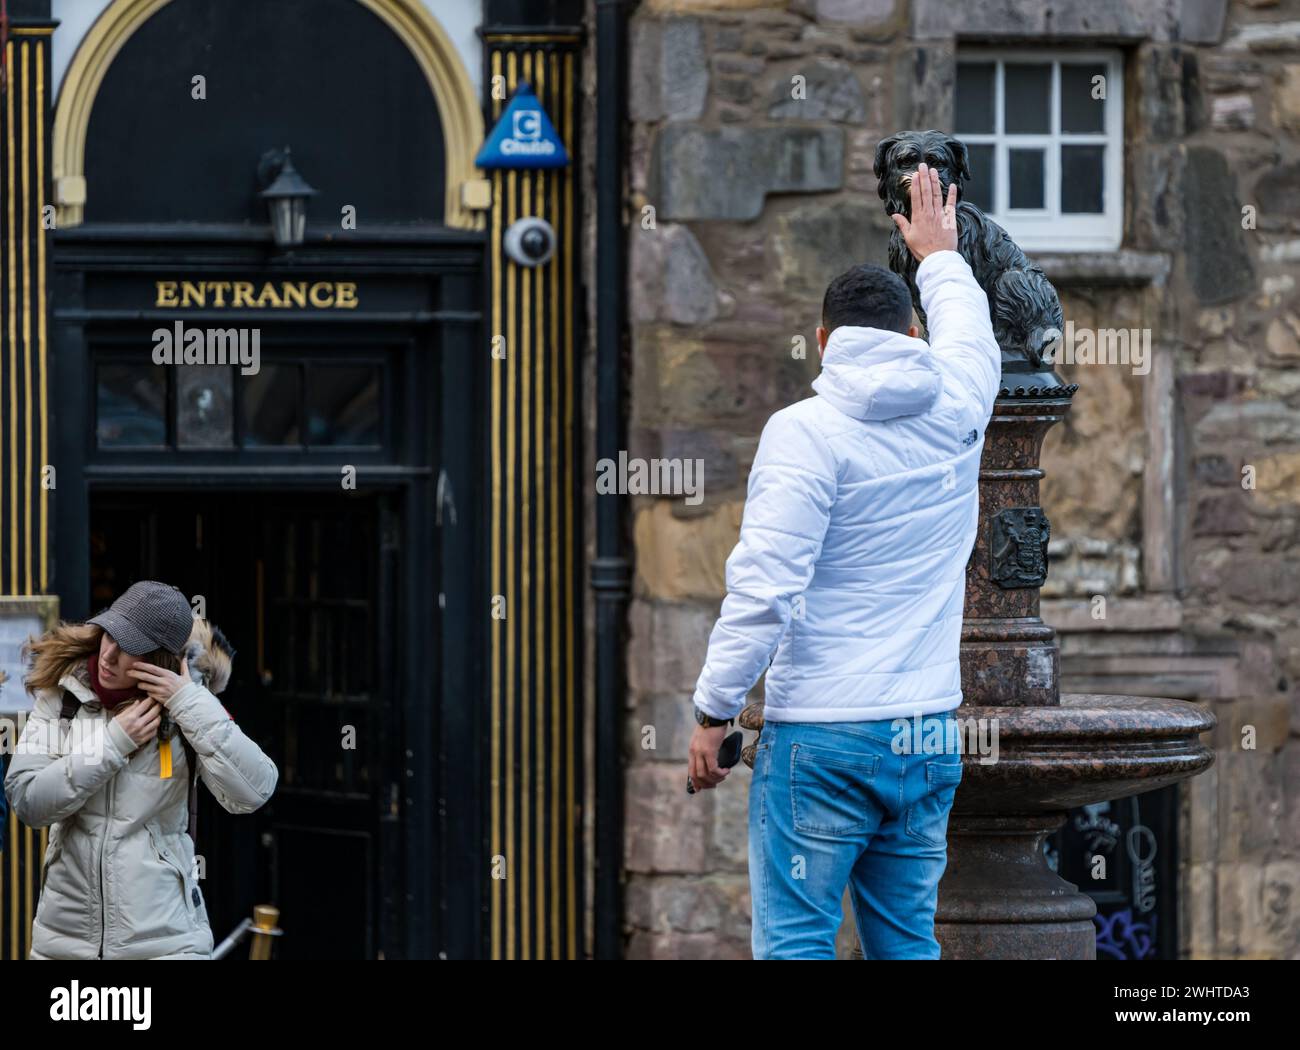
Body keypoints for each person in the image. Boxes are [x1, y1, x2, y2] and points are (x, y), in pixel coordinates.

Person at [687, 164, 1000, 959]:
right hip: (928, 729)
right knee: (907, 946)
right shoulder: (963, 400)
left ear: (823, 341)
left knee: (796, 945)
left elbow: (765, 588)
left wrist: (714, 712)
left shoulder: (805, 432)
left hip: (823, 739)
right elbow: (971, 329)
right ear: (913, 336)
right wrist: (938, 250)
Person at [5, 580, 278, 960]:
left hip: (168, 945)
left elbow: (255, 790)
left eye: (129, 647)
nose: (108, 655)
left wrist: (186, 701)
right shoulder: (63, 695)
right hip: (64, 945)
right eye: (109, 634)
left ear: (160, 661)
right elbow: (28, 802)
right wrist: (114, 743)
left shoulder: (191, 707)